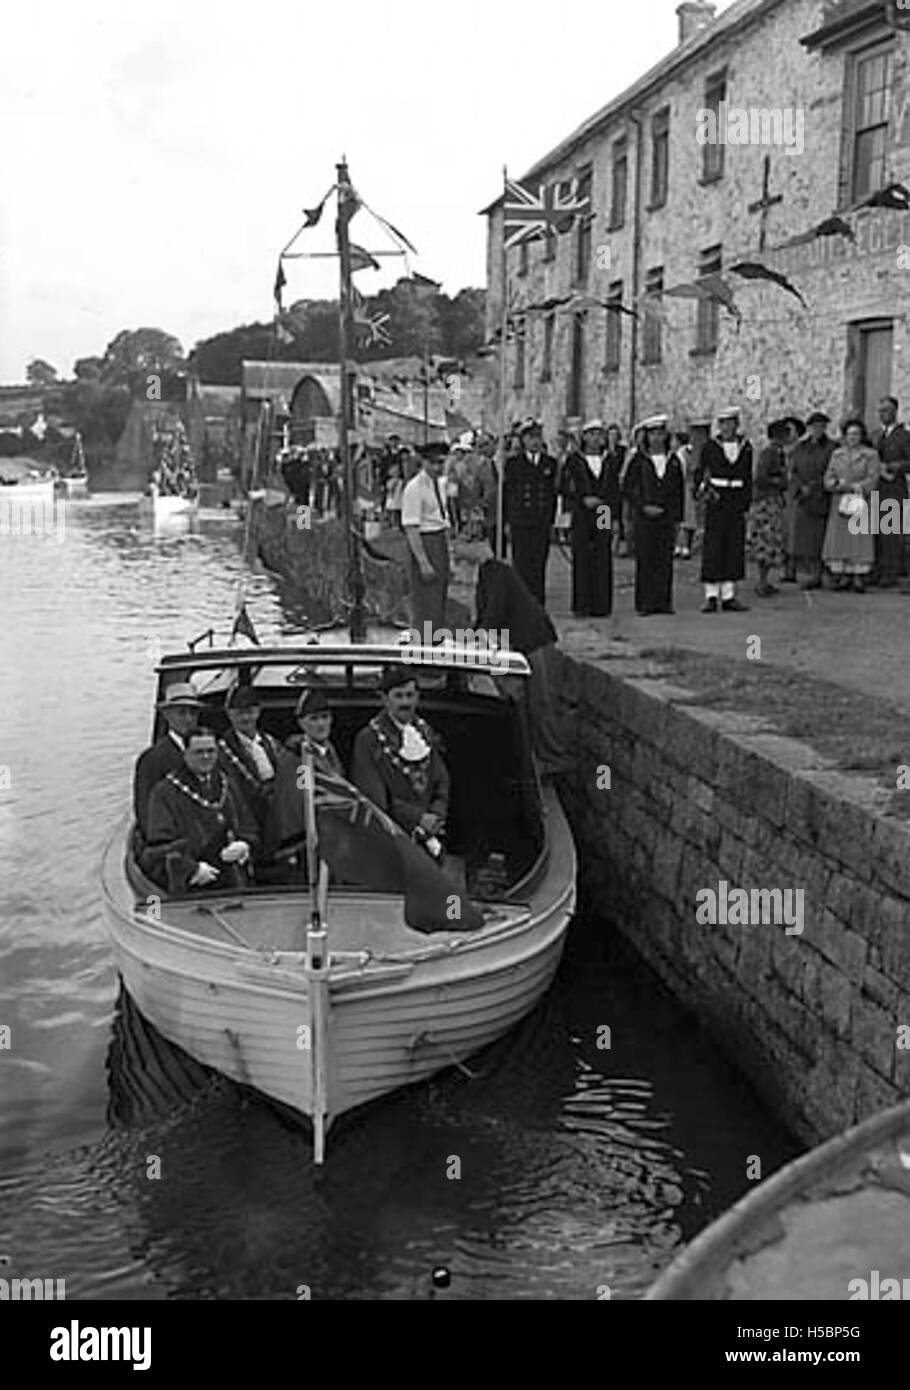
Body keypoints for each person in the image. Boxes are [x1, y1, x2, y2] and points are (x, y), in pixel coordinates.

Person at [474, 558, 571, 779]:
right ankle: (539, 756)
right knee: (533, 703)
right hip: (524, 642)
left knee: (541, 702)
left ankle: (554, 758)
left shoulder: (495, 575)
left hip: (534, 640)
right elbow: (487, 618)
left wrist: (476, 638)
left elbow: (492, 614)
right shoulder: (495, 576)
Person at [142, 728, 259, 893]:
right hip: (192, 889)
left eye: (210, 751)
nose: (206, 757)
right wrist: (192, 869)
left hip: (234, 882)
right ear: (185, 754)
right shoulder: (164, 793)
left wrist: (244, 844)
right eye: (199, 752)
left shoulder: (228, 784)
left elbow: (248, 824)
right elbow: (157, 848)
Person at [350, 667, 449, 860]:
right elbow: (374, 798)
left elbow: (441, 779)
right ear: (384, 699)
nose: (405, 702)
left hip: (429, 835)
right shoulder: (368, 739)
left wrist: (436, 815)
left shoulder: (425, 731)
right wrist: (418, 818)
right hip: (388, 841)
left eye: (410, 695)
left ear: (418, 697)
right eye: (398, 696)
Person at [622, 415, 684, 616]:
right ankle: (645, 602)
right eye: (653, 434)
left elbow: (678, 491)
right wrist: (642, 507)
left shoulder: (673, 460)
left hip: (665, 516)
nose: (657, 438)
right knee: (646, 559)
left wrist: (676, 517)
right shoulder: (639, 460)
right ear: (646, 437)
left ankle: (663, 601)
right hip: (644, 516)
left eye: (660, 433)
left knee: (664, 559)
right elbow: (628, 488)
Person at [560, 419, 622, 617]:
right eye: (592, 434)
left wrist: (614, 517)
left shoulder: (610, 461)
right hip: (582, 511)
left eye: (599, 435)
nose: (596, 439)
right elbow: (565, 486)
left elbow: (614, 490)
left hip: (603, 510)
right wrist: (581, 498)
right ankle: (582, 604)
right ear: (584, 437)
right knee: (582, 554)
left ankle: (601, 604)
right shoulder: (574, 460)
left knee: (602, 553)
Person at [695, 407, 753, 612]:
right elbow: (700, 472)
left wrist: (746, 502)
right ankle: (711, 594)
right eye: (724, 423)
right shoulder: (710, 446)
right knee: (713, 545)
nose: (727, 427)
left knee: (733, 545)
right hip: (717, 498)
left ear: (737, 425)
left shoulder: (745, 447)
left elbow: (747, 476)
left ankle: (729, 594)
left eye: (731, 423)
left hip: (735, 498)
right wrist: (704, 491)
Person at [133, 682, 202, 844]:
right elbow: (145, 811)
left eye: (193, 713)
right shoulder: (152, 759)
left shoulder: (209, 751)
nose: (188, 719)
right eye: (182, 713)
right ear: (167, 715)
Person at [503, 420, 558, 606]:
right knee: (521, 562)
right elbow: (508, 493)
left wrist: (552, 521)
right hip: (521, 520)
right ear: (523, 440)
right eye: (530, 437)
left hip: (541, 520)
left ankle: (538, 601)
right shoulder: (513, 464)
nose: (535, 442)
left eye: (538, 437)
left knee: (539, 563)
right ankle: (522, 602)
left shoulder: (550, 463)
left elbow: (553, 494)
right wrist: (507, 521)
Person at [821, 418, 879, 592]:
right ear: (844, 436)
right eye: (849, 434)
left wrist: (856, 486)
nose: (853, 437)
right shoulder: (837, 454)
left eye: (856, 434)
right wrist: (835, 484)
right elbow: (828, 476)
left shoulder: (870, 455)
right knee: (840, 538)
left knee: (859, 538)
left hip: (860, 499)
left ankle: (859, 576)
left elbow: (873, 478)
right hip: (840, 501)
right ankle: (843, 575)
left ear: (861, 436)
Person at [216, 685, 282, 835]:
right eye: (239, 713)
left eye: (250, 712)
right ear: (229, 714)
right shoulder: (220, 752)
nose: (245, 718)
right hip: (246, 822)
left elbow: (294, 776)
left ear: (258, 712)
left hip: (279, 818)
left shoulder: (273, 743)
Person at [400, 441, 451, 635]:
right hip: (425, 541)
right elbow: (411, 528)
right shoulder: (414, 488)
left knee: (439, 597)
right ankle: (423, 640)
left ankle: (436, 637)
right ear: (424, 462)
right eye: (434, 463)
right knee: (425, 598)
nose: (438, 467)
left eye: (441, 463)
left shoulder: (438, 484)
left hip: (439, 540)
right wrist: (423, 562)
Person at [790, 412, 835, 590]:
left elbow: (832, 470)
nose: (818, 430)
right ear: (809, 428)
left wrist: (815, 487)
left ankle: (822, 573)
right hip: (803, 498)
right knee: (803, 540)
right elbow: (793, 471)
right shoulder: (800, 448)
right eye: (814, 426)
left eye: (821, 426)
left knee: (821, 538)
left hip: (821, 497)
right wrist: (799, 488)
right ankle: (808, 573)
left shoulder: (831, 447)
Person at [748, 420, 790, 597]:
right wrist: (779, 482)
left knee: (770, 543)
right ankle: (761, 581)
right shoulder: (770, 453)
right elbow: (760, 477)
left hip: (771, 500)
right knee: (766, 542)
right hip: (766, 501)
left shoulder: (776, 453)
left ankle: (765, 580)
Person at [872, 396, 910, 588]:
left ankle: (890, 572)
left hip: (894, 488)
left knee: (892, 532)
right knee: (875, 530)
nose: (882, 414)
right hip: (876, 487)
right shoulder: (875, 435)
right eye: (880, 411)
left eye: (886, 410)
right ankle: (877, 569)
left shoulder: (904, 436)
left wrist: (896, 467)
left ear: (895, 411)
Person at [385, 459, 404, 529]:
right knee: (393, 512)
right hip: (392, 498)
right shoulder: (391, 481)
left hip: (398, 498)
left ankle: (397, 524)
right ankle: (393, 524)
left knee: (397, 512)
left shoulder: (400, 481)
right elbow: (389, 489)